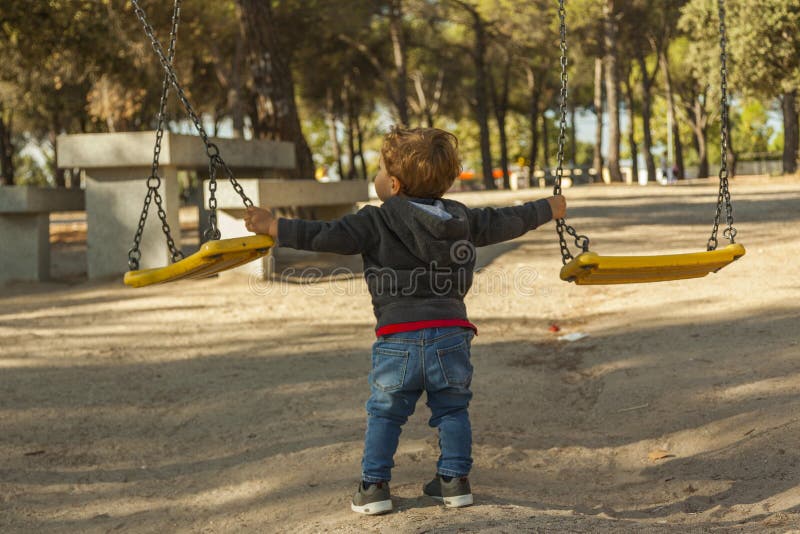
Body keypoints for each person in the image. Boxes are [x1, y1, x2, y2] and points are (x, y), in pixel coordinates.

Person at [244, 127, 566, 515]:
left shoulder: (373, 222)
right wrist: (549, 208)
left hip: (398, 337)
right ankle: (453, 481)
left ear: (393, 184)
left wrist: (272, 225)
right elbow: (506, 220)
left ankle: (375, 487)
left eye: (380, 171)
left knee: (386, 411)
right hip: (452, 333)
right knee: (452, 408)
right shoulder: (460, 218)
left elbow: (323, 235)